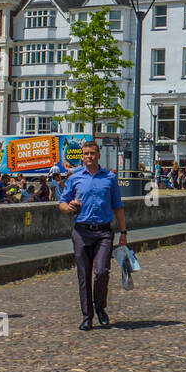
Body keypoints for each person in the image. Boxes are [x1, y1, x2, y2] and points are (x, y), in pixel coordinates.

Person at [59, 141, 127, 331]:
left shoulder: (109, 177)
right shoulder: (75, 177)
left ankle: (100, 307)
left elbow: (118, 206)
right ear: (82, 156)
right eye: (86, 154)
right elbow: (62, 203)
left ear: (98, 155)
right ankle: (87, 316)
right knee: (84, 274)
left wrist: (123, 232)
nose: (89, 156)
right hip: (81, 231)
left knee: (101, 271)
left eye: (92, 153)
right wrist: (68, 206)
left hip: (104, 231)